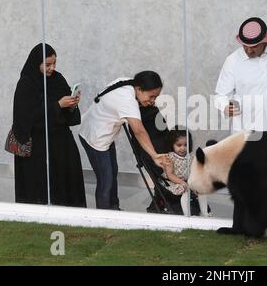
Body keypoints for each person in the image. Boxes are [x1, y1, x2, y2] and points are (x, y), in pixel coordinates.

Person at [79, 71, 168, 210]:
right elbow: (139, 131)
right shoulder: (127, 100)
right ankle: (103, 217)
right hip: (95, 138)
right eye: (151, 96)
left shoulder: (128, 82)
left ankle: (114, 209)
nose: (153, 101)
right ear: (139, 89)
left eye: (155, 97)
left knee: (112, 173)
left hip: (102, 134)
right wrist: (154, 155)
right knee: (106, 181)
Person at [13, 43, 86, 207]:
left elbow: (68, 116)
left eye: (54, 64)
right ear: (36, 63)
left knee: (66, 182)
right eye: (47, 64)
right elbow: (26, 117)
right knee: (40, 186)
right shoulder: (26, 83)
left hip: (61, 145)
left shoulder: (58, 79)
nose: (51, 68)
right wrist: (57, 105)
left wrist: (72, 105)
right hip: (37, 147)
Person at [162, 127, 210, 217]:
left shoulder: (190, 157)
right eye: (179, 145)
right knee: (185, 190)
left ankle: (205, 213)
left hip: (187, 180)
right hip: (173, 182)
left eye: (185, 145)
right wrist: (182, 183)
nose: (183, 148)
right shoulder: (170, 157)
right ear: (172, 145)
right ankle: (187, 215)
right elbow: (169, 175)